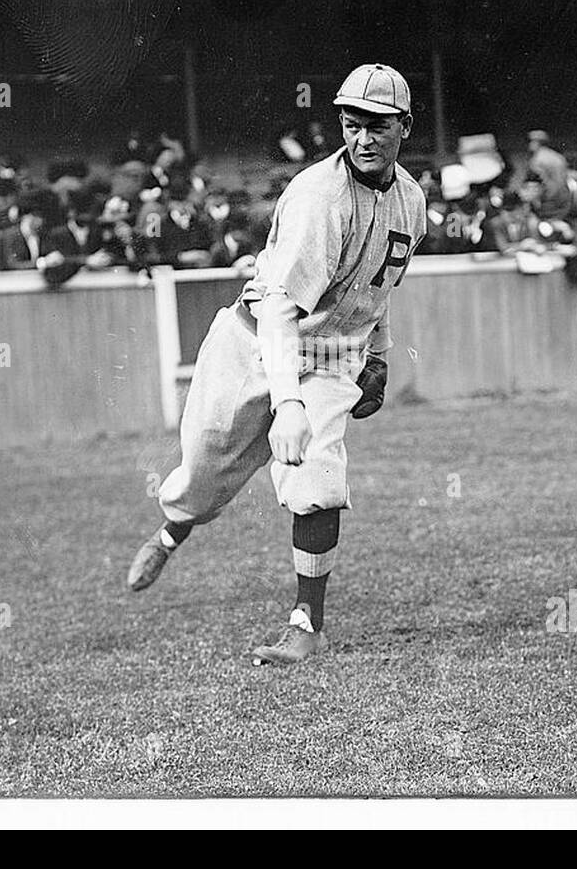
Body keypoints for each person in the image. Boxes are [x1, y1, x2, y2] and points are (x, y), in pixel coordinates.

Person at [124, 63, 427, 665]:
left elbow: (377, 287)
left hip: (331, 355)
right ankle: (171, 532)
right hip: (255, 339)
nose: (364, 138)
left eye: (379, 126)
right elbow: (281, 313)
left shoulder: (411, 200)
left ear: (405, 127)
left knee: (318, 482)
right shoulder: (320, 198)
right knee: (207, 467)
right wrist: (286, 404)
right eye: (351, 124)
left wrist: (381, 356)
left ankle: (305, 624)